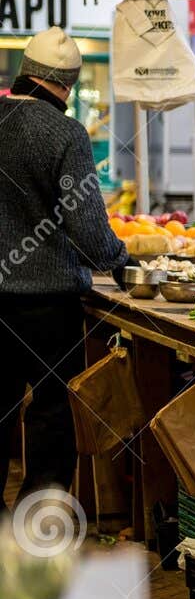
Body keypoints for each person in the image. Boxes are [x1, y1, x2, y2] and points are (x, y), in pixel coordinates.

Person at [0, 27, 128, 499]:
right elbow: (89, 228)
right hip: (47, 308)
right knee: (52, 414)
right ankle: (37, 527)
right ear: (66, 86)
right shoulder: (66, 133)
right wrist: (120, 261)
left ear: (24, 74)